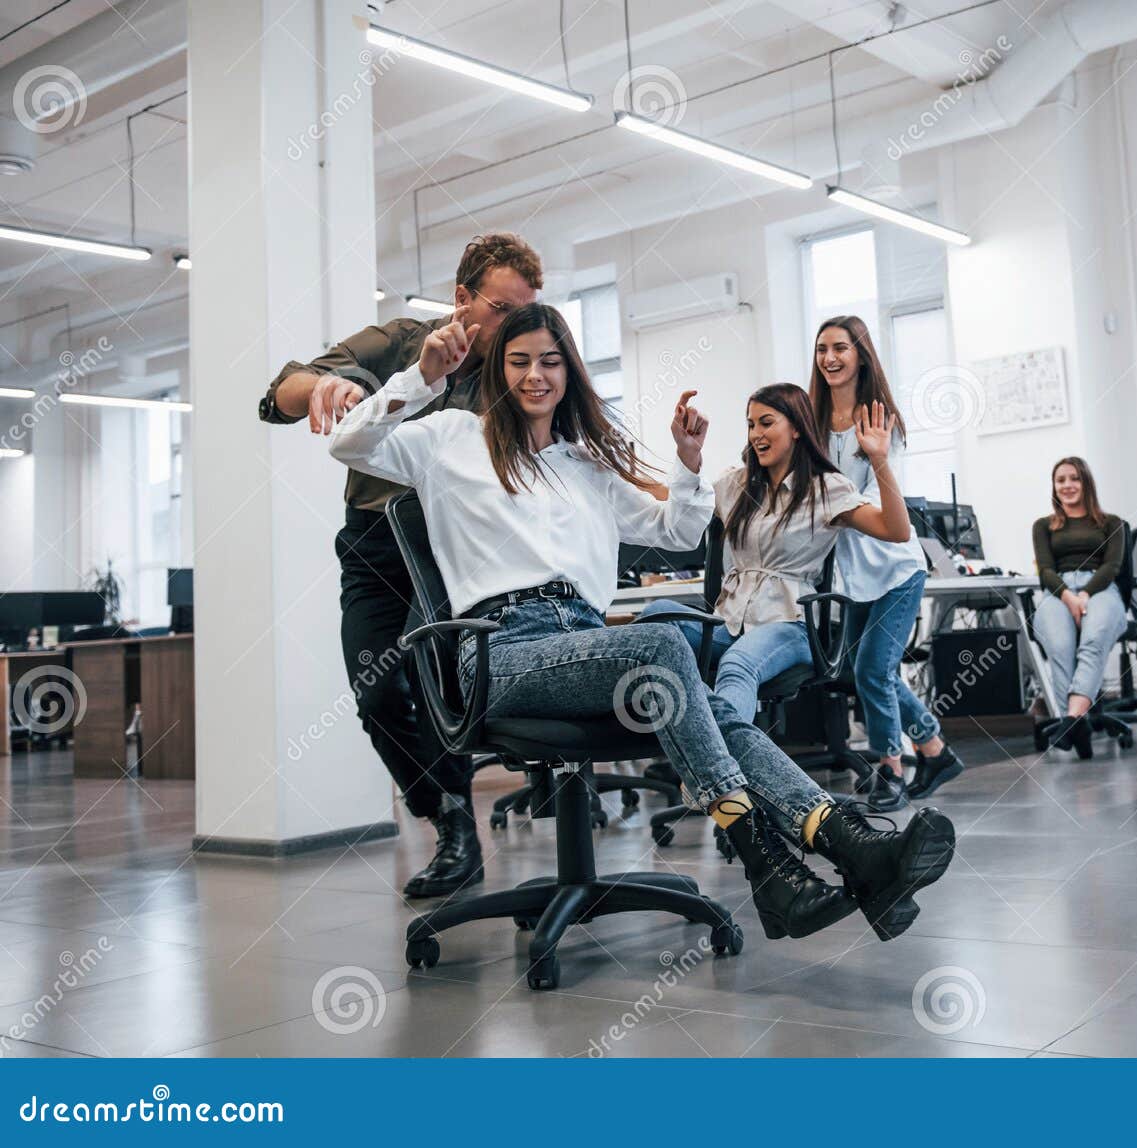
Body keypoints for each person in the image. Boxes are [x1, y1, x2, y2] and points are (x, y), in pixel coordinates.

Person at [328, 302, 956, 944]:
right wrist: (424, 377)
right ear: (499, 371)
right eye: (519, 362)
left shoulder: (586, 464)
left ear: (569, 373)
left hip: (585, 643)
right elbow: (349, 442)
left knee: (710, 705)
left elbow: (678, 531)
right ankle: (780, 862)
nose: (535, 375)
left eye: (550, 362)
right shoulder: (450, 438)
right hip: (500, 651)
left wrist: (688, 462)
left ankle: (848, 852)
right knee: (660, 638)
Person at [258, 233, 542, 899]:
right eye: (502, 310)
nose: (515, 325)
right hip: (375, 545)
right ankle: (445, 816)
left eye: (526, 311)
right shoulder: (401, 342)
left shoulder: (518, 372)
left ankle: (461, 820)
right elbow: (281, 393)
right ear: (463, 298)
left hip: (453, 549)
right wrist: (326, 386)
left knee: (433, 670)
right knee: (376, 690)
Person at [638, 383, 912, 724]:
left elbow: (896, 530)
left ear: (796, 428)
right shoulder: (736, 484)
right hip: (729, 624)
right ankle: (658, 737)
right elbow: (674, 496)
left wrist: (879, 459)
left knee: (737, 664)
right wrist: (682, 453)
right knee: (655, 616)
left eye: (766, 423)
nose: (756, 434)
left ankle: (723, 757)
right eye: (751, 425)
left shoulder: (826, 488)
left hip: (789, 626)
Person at [811, 316, 964, 810]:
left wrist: (832, 504)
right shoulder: (813, 421)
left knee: (873, 671)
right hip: (855, 574)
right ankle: (935, 751)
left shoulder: (877, 418)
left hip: (896, 567)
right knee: (870, 672)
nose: (829, 358)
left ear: (860, 355)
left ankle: (890, 770)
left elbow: (880, 499)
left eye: (840, 348)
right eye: (822, 349)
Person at [1030, 457, 1128, 759]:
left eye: (1074, 478)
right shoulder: (1043, 525)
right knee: (1059, 647)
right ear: (1054, 486)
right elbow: (1045, 570)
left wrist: (1085, 594)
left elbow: (1112, 566)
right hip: (1058, 591)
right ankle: (1077, 726)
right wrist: (1068, 597)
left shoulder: (1112, 523)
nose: (1068, 485)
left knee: (1093, 640)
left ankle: (1071, 719)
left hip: (1099, 588)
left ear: (1086, 482)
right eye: (1061, 480)